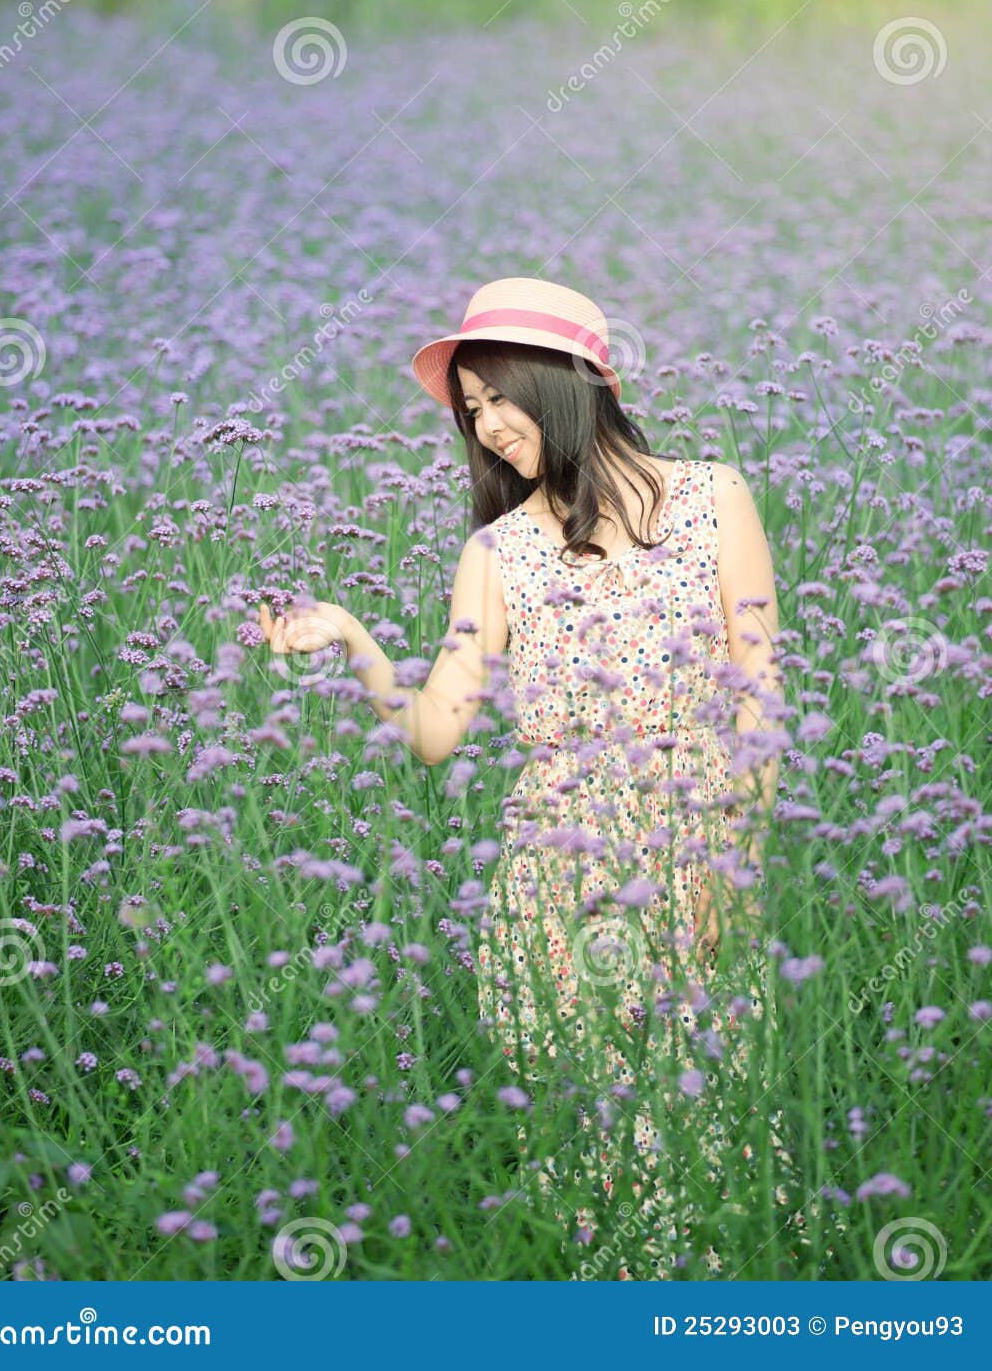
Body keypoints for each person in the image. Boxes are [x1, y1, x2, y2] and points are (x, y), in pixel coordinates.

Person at [258, 276, 793, 1279]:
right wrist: (351, 638)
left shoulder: (716, 496)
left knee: (712, 1140)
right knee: (589, 1164)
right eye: (471, 411)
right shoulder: (497, 549)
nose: (488, 426)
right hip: (549, 883)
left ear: (568, 378)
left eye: (500, 396)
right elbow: (434, 731)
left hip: (696, 856)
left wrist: (734, 857)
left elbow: (760, 696)